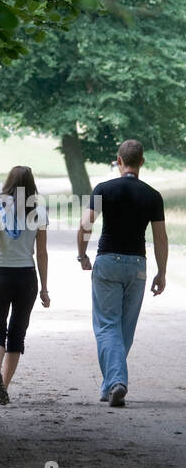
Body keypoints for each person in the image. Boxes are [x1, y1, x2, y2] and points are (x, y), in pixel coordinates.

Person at [78, 138, 167, 407]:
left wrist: (82, 255)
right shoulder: (153, 195)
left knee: (107, 325)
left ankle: (116, 382)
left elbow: (85, 225)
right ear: (141, 161)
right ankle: (110, 386)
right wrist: (161, 272)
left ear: (119, 160)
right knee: (124, 329)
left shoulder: (103, 189)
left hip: (107, 262)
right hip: (137, 265)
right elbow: (160, 238)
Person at [0, 165, 50, 404]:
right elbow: (42, 252)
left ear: (10, 182)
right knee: (17, 333)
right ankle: (3, 386)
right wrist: (45, 288)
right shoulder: (39, 209)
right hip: (26, 276)